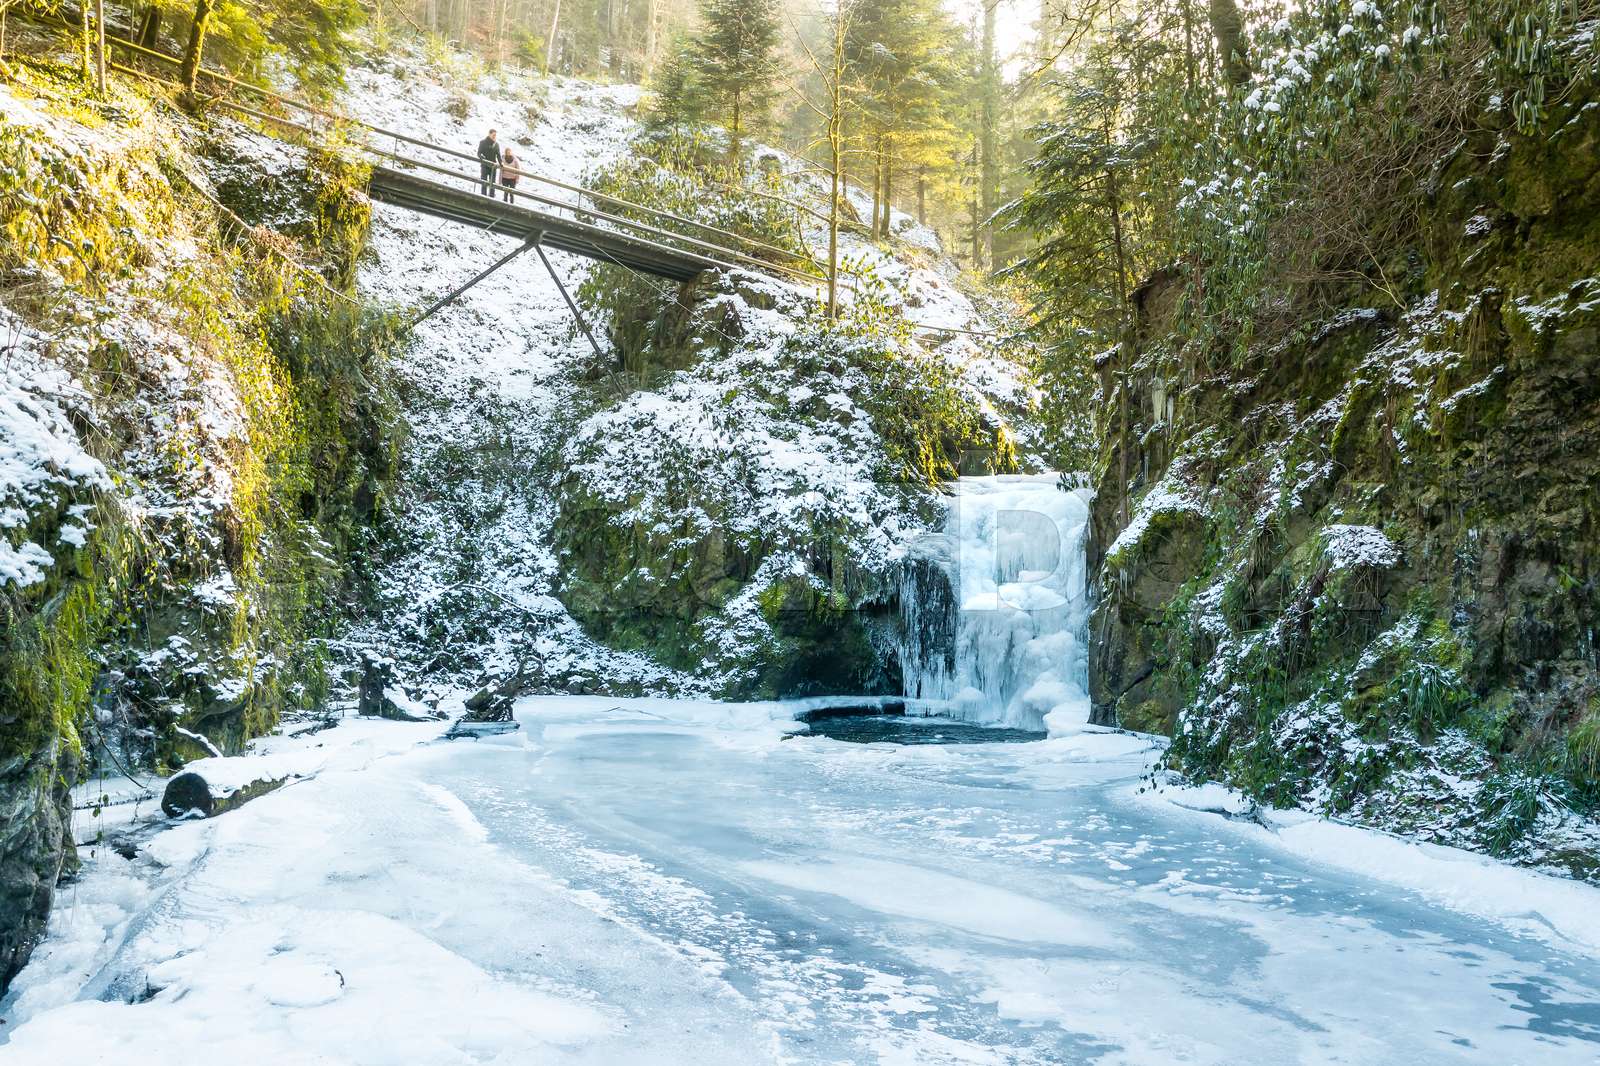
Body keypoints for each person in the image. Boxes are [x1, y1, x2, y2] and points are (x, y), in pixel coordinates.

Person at [476, 129, 501, 195]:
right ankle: (483, 196)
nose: (494, 136)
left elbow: (498, 155)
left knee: (492, 183)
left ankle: (491, 197)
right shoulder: (483, 142)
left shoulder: (496, 144)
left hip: (493, 166)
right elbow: (479, 153)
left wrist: (501, 163)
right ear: (489, 134)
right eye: (493, 135)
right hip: (484, 165)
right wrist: (482, 157)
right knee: (484, 182)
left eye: (495, 135)